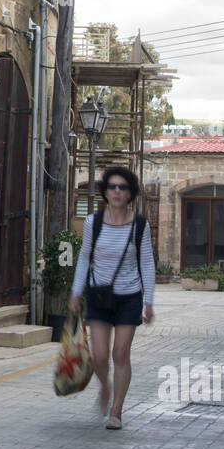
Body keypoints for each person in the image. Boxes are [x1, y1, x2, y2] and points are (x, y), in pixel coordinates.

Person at [68, 165, 155, 430]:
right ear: (105, 192)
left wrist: (148, 301)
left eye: (123, 187)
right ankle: (104, 387)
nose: (117, 191)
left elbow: (147, 263)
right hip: (99, 295)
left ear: (131, 193)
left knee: (120, 353)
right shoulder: (93, 222)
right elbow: (84, 258)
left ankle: (116, 410)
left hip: (129, 296)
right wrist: (76, 292)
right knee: (99, 356)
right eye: (112, 187)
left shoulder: (140, 225)